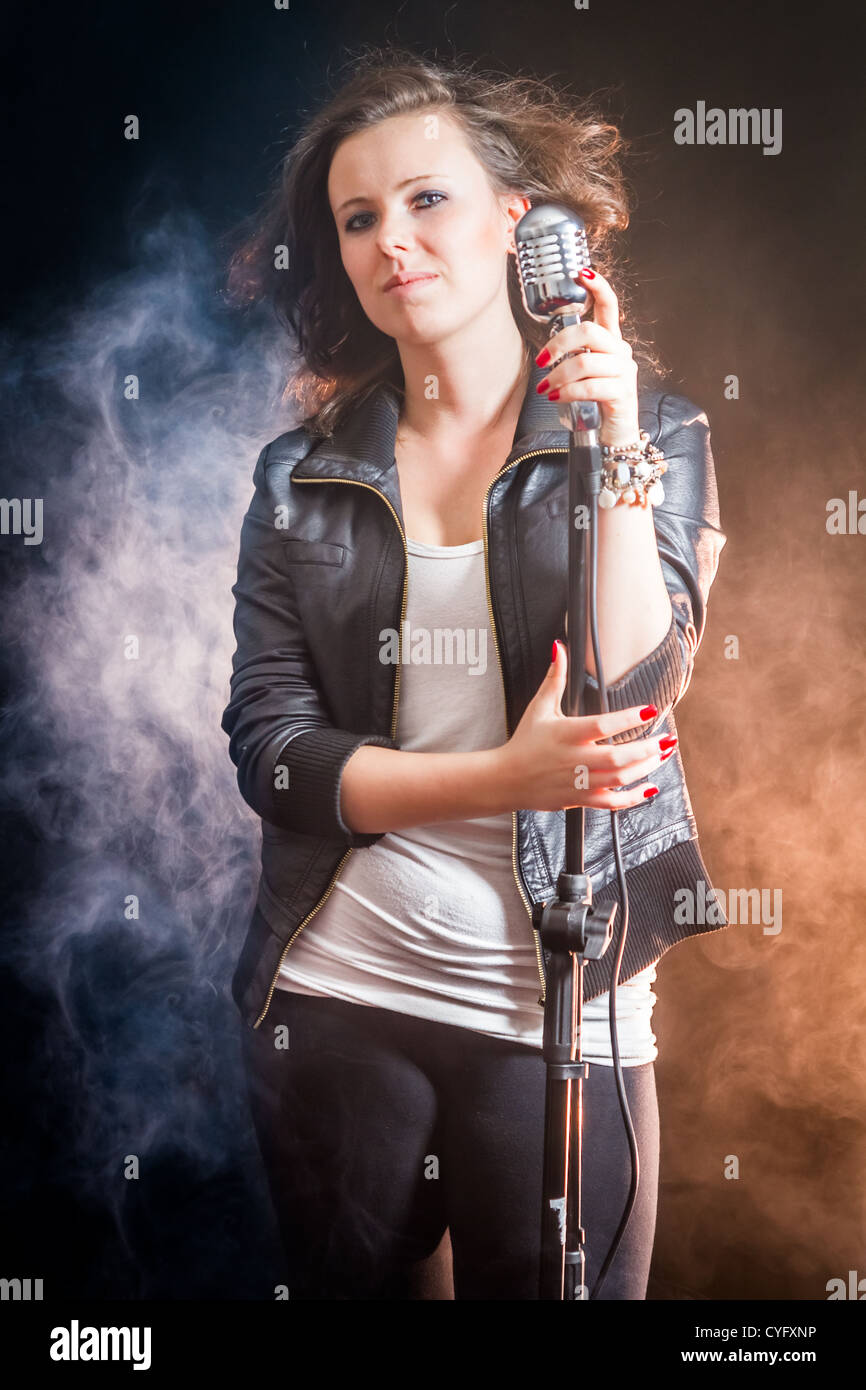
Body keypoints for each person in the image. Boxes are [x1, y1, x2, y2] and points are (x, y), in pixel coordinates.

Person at [221, 46, 729, 1300]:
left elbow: (631, 684)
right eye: (357, 218)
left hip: (559, 999)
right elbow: (271, 751)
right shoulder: (300, 474)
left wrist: (607, 447)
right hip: (337, 987)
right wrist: (499, 776)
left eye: (425, 198)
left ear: (520, 217)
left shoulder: (653, 429)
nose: (391, 238)